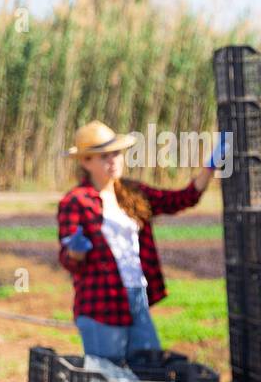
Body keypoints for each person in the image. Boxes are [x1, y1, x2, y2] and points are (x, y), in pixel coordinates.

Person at [57, 120, 217, 362]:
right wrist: (76, 251)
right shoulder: (76, 201)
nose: (113, 161)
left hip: (136, 296)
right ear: (85, 162)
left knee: (148, 366)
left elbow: (181, 198)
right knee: (109, 379)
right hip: (102, 303)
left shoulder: (132, 192)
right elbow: (70, 261)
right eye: (103, 156)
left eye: (116, 154)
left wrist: (211, 167)